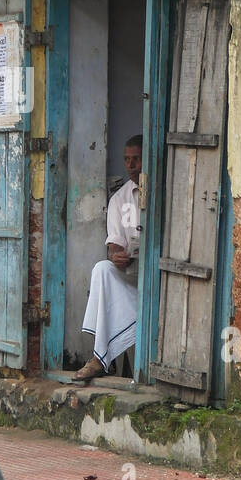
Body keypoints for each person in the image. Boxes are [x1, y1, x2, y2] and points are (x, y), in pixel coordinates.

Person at [73, 135, 143, 384]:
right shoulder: (119, 199)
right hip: (130, 274)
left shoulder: (161, 193)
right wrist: (117, 255)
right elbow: (114, 243)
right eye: (127, 160)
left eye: (136, 159)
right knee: (102, 269)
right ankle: (100, 356)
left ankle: (100, 359)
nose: (131, 165)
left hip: (157, 278)